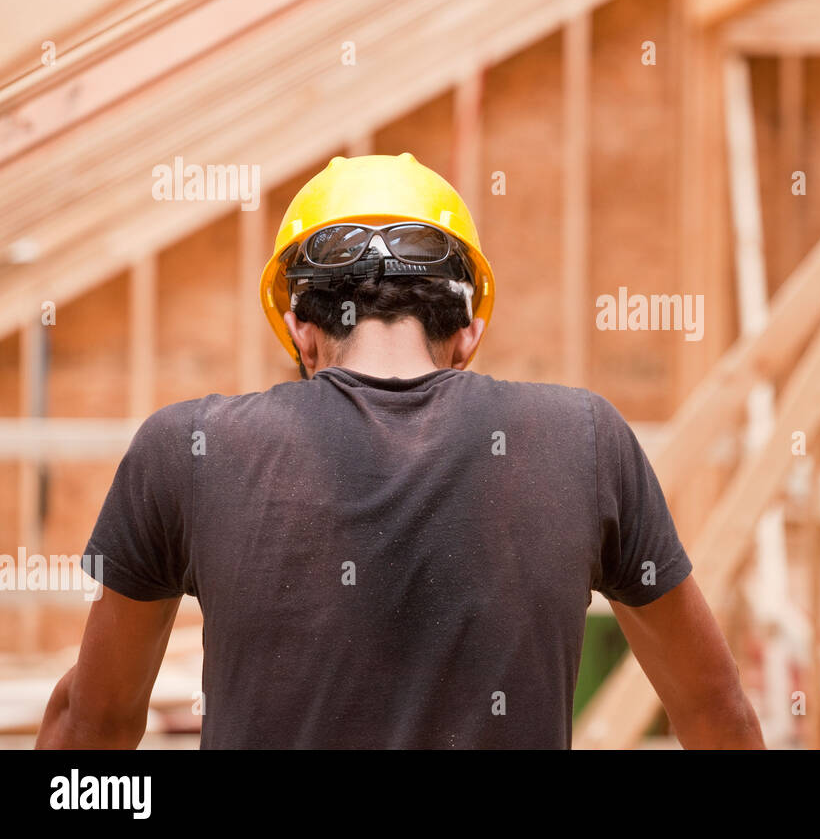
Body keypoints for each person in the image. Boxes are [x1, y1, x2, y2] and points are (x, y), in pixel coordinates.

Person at [36, 153, 764, 749]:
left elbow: (93, 726)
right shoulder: (584, 438)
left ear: (298, 325)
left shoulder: (186, 449)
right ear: (469, 330)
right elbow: (716, 713)